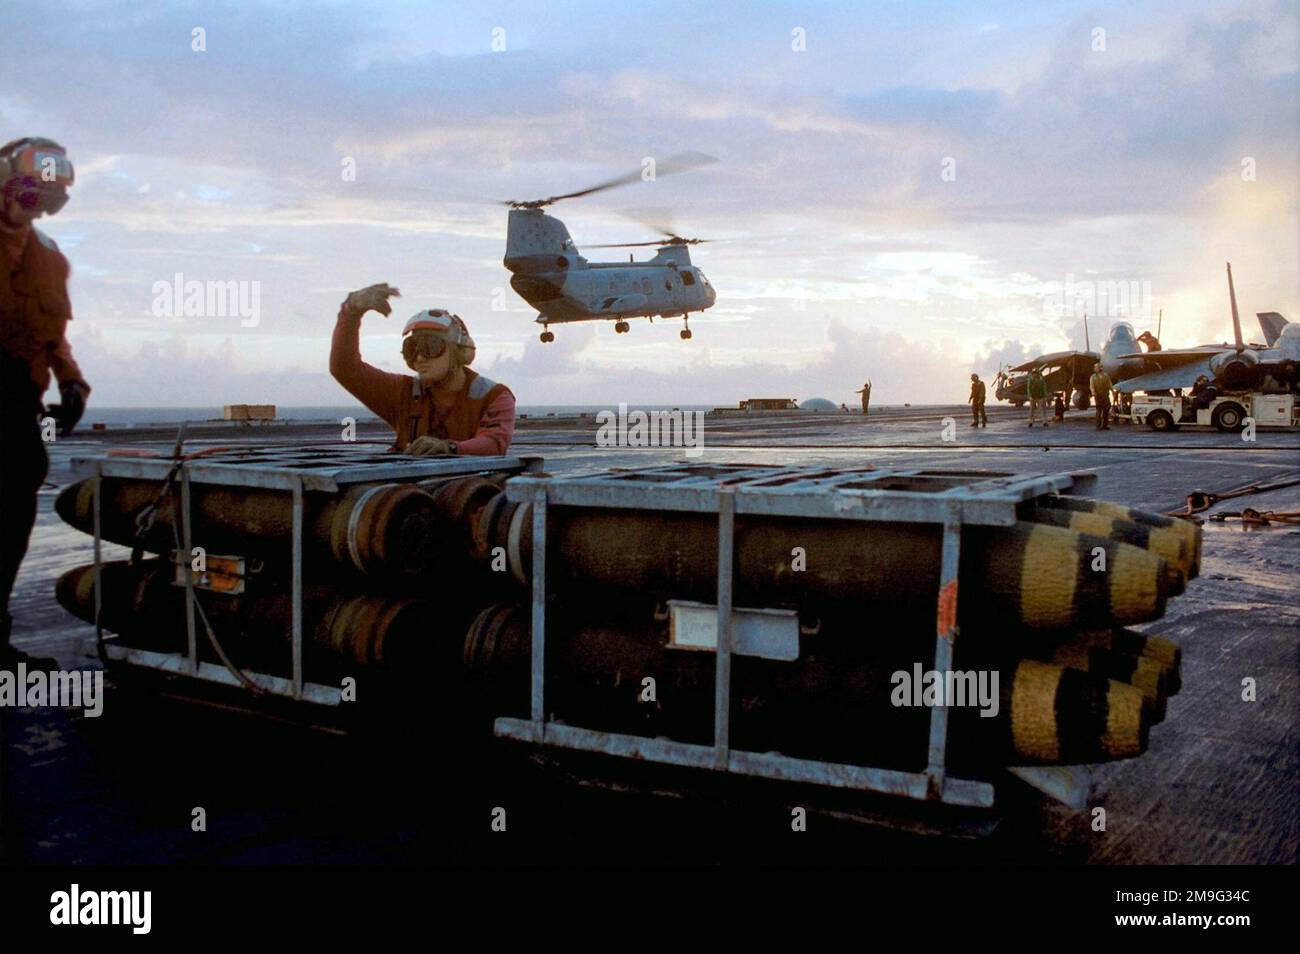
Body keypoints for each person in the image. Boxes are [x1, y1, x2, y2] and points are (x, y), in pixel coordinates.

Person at [0, 137, 90, 664]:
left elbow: (54, 337)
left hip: (16, 410)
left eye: (44, 193)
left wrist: (72, 385)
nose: (29, 201)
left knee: (10, 526)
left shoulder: (50, 259)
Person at [330, 283, 515, 455]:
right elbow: (345, 369)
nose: (419, 357)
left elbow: (494, 443)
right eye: (411, 348)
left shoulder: (495, 396)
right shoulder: (403, 393)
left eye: (430, 346)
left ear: (458, 352)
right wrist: (351, 310)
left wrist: (449, 448)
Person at [1089, 362, 1113, 430]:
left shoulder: (1106, 376)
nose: (1095, 369)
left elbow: (1110, 384)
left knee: (1107, 409)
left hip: (1105, 395)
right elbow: (1092, 386)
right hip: (1098, 396)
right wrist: (1093, 393)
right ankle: (1098, 425)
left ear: (1100, 368)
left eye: (1096, 367)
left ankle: (1105, 425)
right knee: (1099, 410)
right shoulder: (1093, 377)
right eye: (1095, 367)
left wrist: (1113, 391)